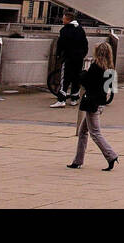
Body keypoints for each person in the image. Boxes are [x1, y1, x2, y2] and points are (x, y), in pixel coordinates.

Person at [67, 41, 119, 171]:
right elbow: (111, 88)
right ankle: (77, 160)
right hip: (101, 103)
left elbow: (85, 82)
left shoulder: (95, 67)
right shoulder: (110, 67)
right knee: (83, 131)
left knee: (95, 133)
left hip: (92, 103)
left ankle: (110, 155)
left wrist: (84, 73)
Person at [50, 10, 89, 108]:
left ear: (68, 20)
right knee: (76, 78)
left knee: (65, 79)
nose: (62, 20)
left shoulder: (64, 30)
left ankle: (61, 99)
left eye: (63, 18)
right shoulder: (80, 29)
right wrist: (82, 54)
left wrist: (59, 55)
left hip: (68, 58)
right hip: (79, 58)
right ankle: (74, 99)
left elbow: (61, 45)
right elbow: (85, 44)